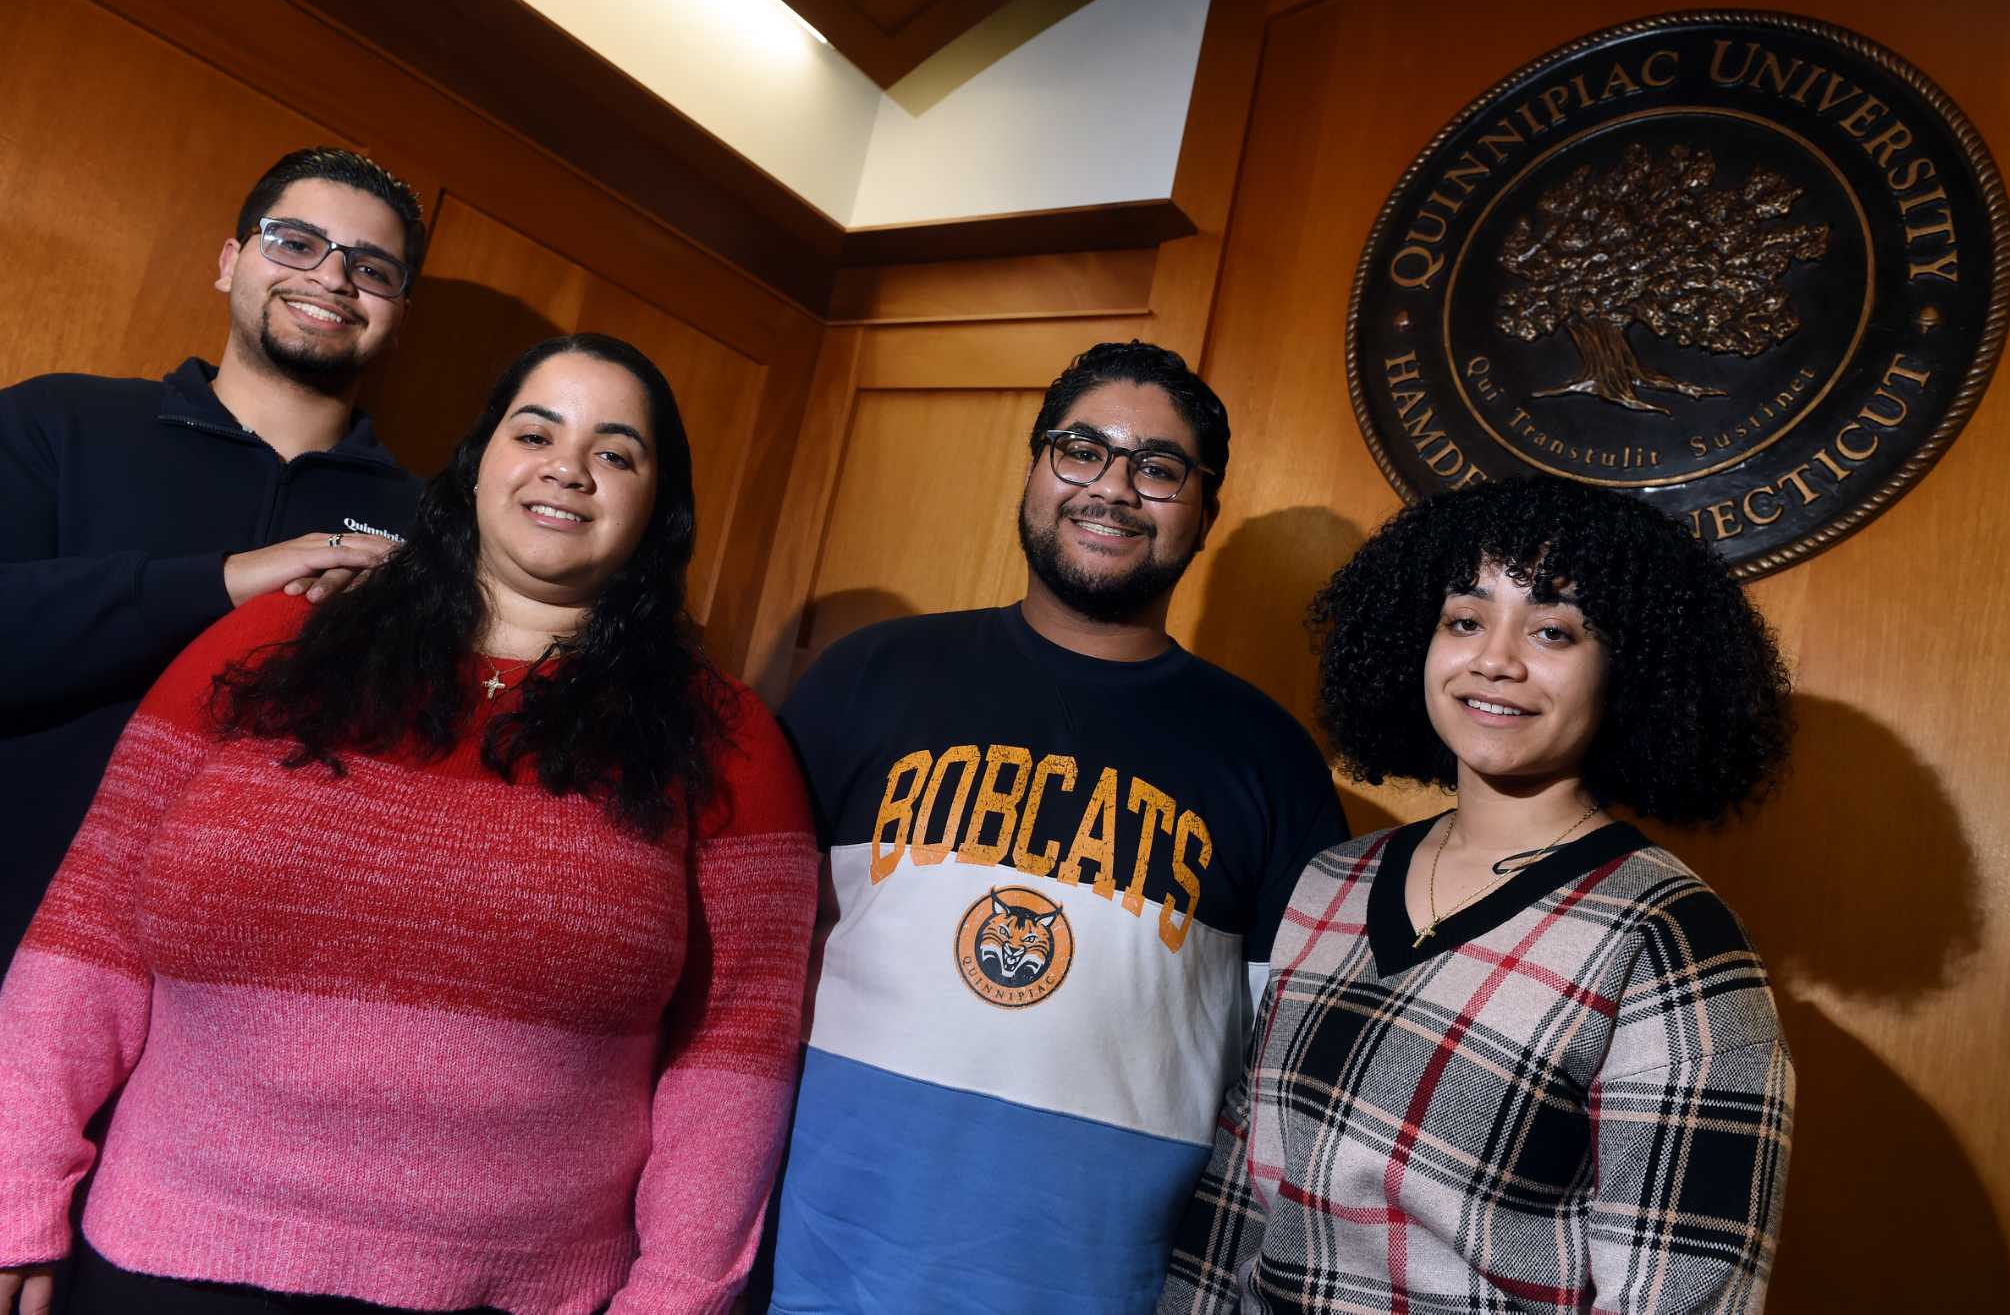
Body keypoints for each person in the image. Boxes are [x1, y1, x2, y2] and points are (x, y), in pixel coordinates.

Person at [0, 334, 817, 1315]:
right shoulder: (268, 645)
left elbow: (735, 1053)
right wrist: (14, 1188)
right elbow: (89, 927)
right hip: (160, 1263)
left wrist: (679, 1297)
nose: (568, 466)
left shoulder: (721, 736)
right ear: (476, 468)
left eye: (616, 451)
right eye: (536, 431)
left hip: (513, 1293)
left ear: (656, 508)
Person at [761, 341, 1350, 1313]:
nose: (1111, 488)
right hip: (806, 1271)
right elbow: (740, 972)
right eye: (1079, 450)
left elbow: (1282, 1086)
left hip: (1092, 1288)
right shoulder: (866, 678)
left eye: (1157, 469)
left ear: (1204, 513)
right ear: (1034, 467)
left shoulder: (1270, 760)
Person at [1160, 475, 1796, 1314]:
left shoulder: (1671, 940)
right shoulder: (1331, 883)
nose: (1494, 658)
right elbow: (1236, 1195)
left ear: (1628, 672)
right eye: (1465, 619)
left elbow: (1685, 1294)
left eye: (1554, 631)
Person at [0, 146, 428, 959]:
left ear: (397, 314)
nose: (333, 279)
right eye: (295, 243)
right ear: (231, 263)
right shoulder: (60, 421)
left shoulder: (432, 529)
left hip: (242, 1009)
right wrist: (223, 582)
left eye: (371, 268)